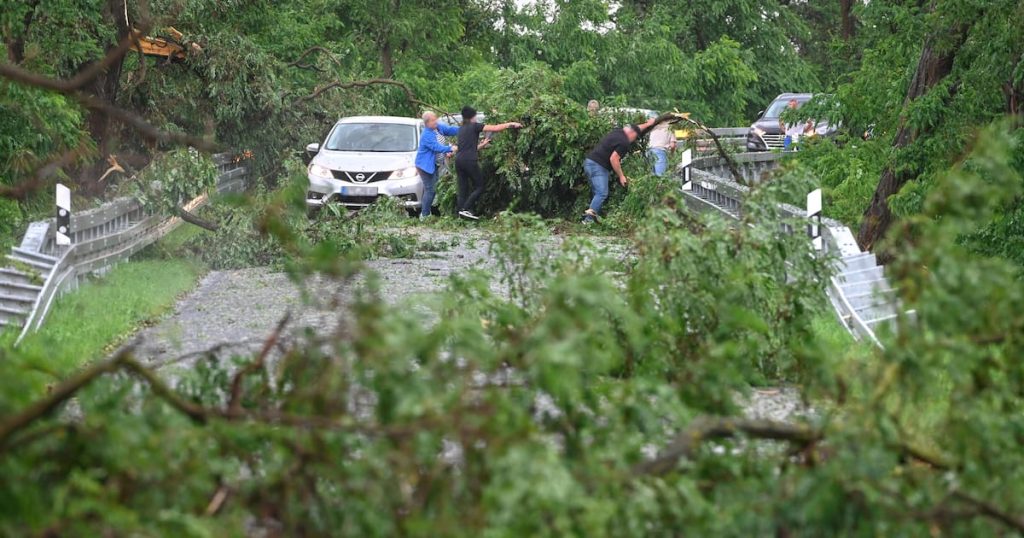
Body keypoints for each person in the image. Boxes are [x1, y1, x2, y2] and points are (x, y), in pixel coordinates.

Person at [582, 117, 658, 223]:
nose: (634, 139)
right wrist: (621, 176)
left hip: (589, 163)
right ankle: (588, 220)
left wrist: (648, 124)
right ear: (631, 133)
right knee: (601, 193)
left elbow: (635, 128)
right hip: (598, 166)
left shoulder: (617, 132)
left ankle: (593, 217)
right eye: (635, 137)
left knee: (597, 192)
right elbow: (614, 159)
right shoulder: (624, 142)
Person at [454, 106, 522, 220]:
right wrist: (511, 124)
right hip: (469, 161)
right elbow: (494, 128)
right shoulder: (475, 126)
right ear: (473, 116)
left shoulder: (461, 129)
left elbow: (468, 147)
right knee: (480, 186)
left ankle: (460, 215)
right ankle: (465, 209)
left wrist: (482, 145)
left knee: (463, 189)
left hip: (459, 161)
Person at [415, 111, 458, 219]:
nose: (436, 121)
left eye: (436, 119)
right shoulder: (426, 135)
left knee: (433, 190)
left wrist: (464, 129)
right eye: (433, 120)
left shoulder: (438, 128)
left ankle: (427, 213)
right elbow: (436, 147)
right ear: (427, 123)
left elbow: (450, 130)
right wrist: (450, 148)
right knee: (430, 190)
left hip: (434, 164)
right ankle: (424, 215)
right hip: (425, 166)